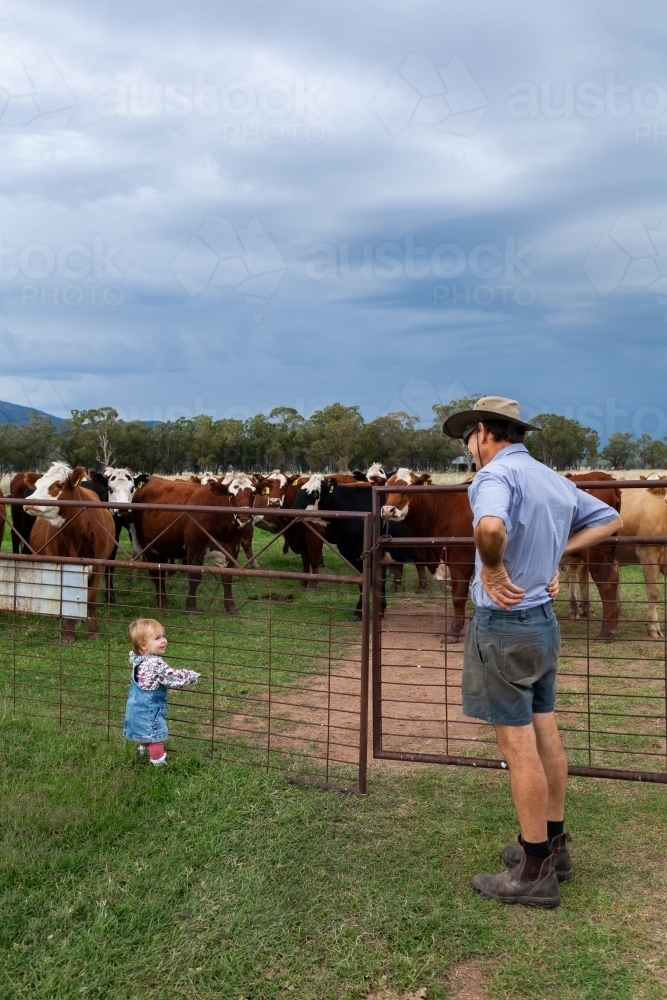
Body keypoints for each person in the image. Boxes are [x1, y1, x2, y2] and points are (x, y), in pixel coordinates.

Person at [443, 397, 622, 908]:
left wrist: (493, 568)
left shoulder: (493, 478)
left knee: (516, 745)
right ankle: (555, 847)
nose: (469, 452)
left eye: (468, 442)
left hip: (504, 627)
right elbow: (608, 518)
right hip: (543, 623)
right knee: (544, 728)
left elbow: (491, 528)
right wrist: (558, 551)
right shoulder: (548, 476)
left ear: (483, 433)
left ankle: (534, 872)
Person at [124, 618, 200, 766]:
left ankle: (142, 753)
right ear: (143, 645)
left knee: (143, 729)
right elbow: (172, 677)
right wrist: (190, 676)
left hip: (135, 706)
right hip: (150, 708)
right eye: (157, 638)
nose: (164, 640)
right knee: (155, 736)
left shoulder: (138, 658)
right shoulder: (155, 664)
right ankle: (159, 764)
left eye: (163, 636)